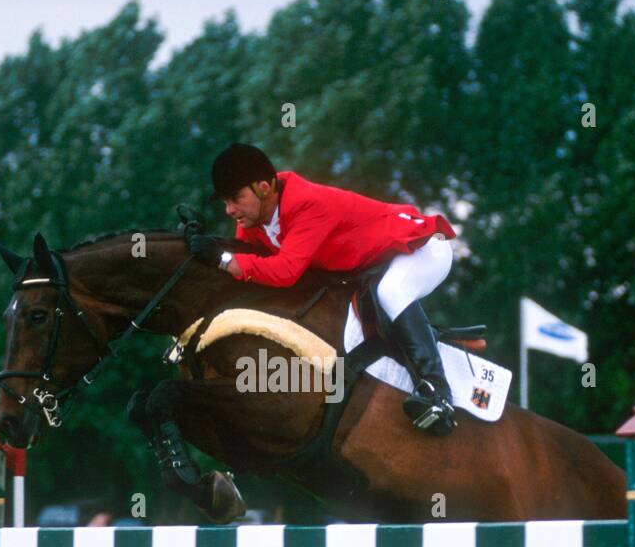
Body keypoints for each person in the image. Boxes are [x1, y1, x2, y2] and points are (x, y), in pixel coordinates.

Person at [187, 143, 459, 436]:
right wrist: (205, 249)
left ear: (264, 187)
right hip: (377, 265)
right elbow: (247, 263)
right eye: (226, 202)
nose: (230, 210)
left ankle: (438, 394)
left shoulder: (307, 203)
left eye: (235, 199)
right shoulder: (253, 221)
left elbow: (284, 272)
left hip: (420, 247)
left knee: (390, 292)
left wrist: (223, 258)